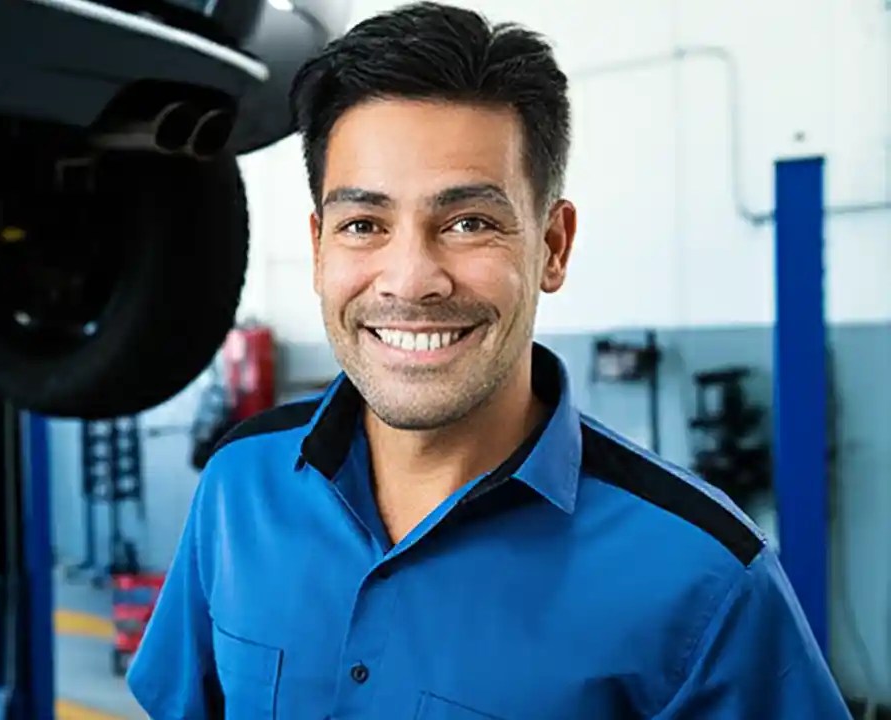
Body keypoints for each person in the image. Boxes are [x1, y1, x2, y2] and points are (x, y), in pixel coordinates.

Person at [125, 3, 851, 718]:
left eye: (468, 223)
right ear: (319, 248)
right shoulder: (239, 488)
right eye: (364, 224)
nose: (410, 279)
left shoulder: (706, 581)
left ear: (552, 246)